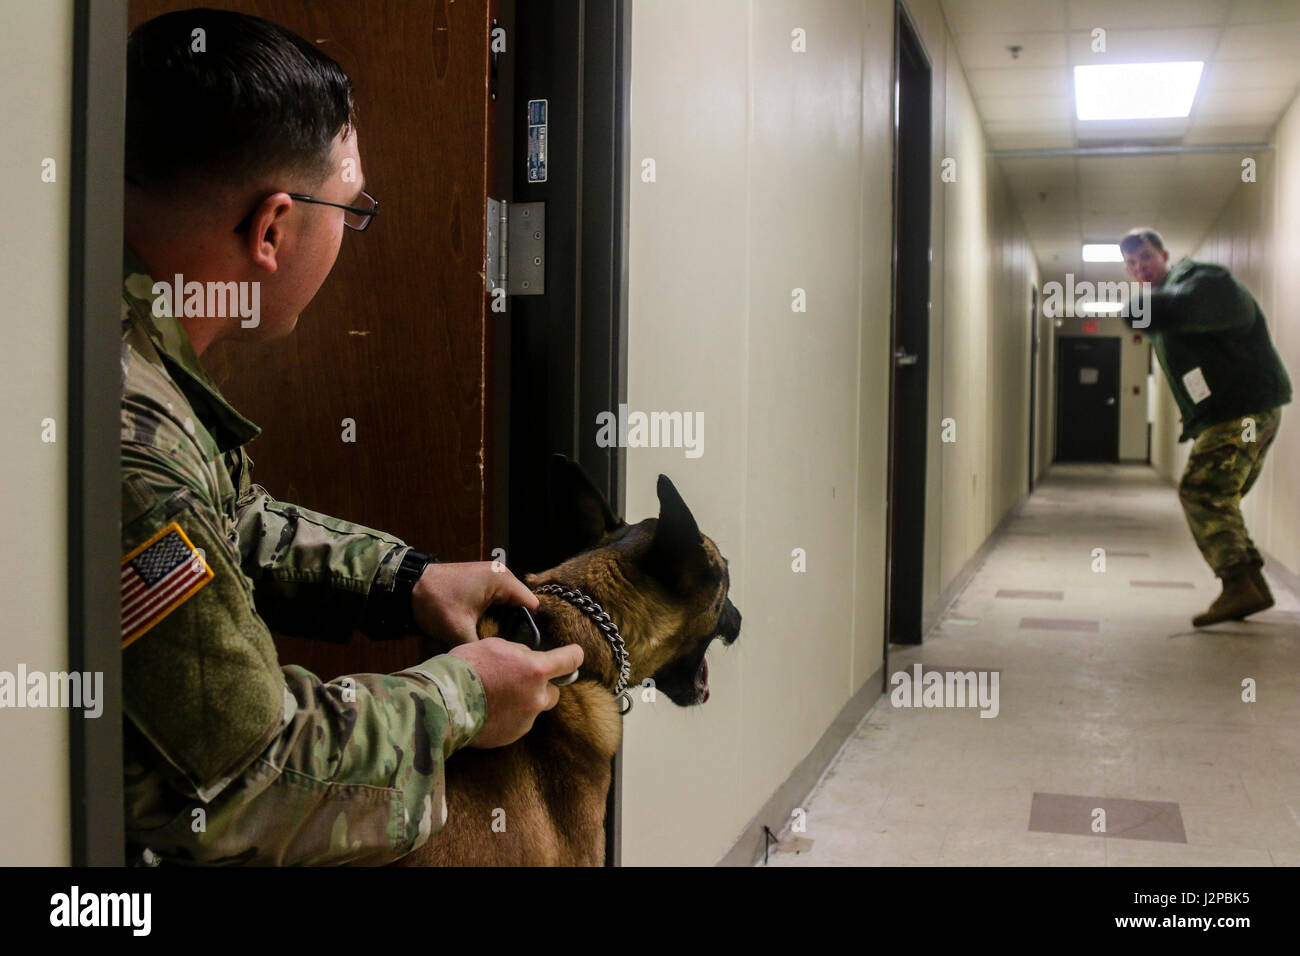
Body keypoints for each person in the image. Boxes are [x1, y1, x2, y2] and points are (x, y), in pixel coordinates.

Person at [120, 9, 582, 865]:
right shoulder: (133, 450)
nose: (353, 231)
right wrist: (461, 701)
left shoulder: (133, 333)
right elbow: (253, 784)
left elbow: (223, 527)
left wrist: (403, 581)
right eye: (351, 207)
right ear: (272, 230)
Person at [1120, 227, 1292, 627]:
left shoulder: (1203, 280)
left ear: (1164, 254)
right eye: (1131, 263)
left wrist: (1148, 311)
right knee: (1219, 496)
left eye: (1145, 256)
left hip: (1244, 411)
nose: (1139, 267)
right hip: (1237, 412)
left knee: (1203, 492)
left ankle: (1238, 584)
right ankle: (1250, 583)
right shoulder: (1170, 296)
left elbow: (1198, 307)